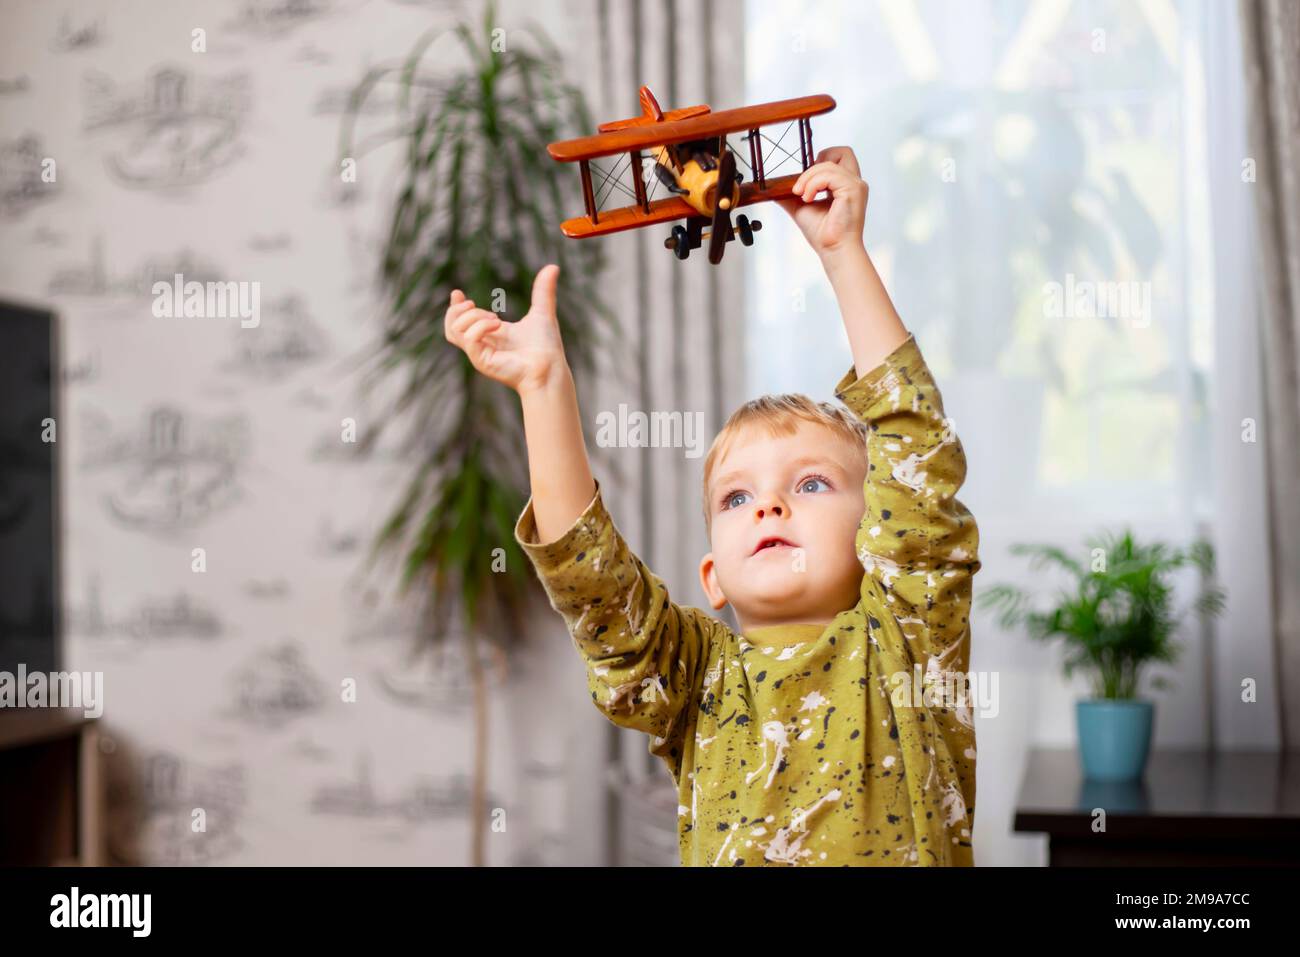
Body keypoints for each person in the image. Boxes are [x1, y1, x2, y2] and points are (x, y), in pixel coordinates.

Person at [443, 146, 980, 866]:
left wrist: (842, 252)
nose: (769, 507)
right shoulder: (696, 676)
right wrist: (543, 388)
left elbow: (917, 453)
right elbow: (595, 587)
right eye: (737, 497)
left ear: (877, 527)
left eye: (811, 483)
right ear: (712, 576)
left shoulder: (908, 633)